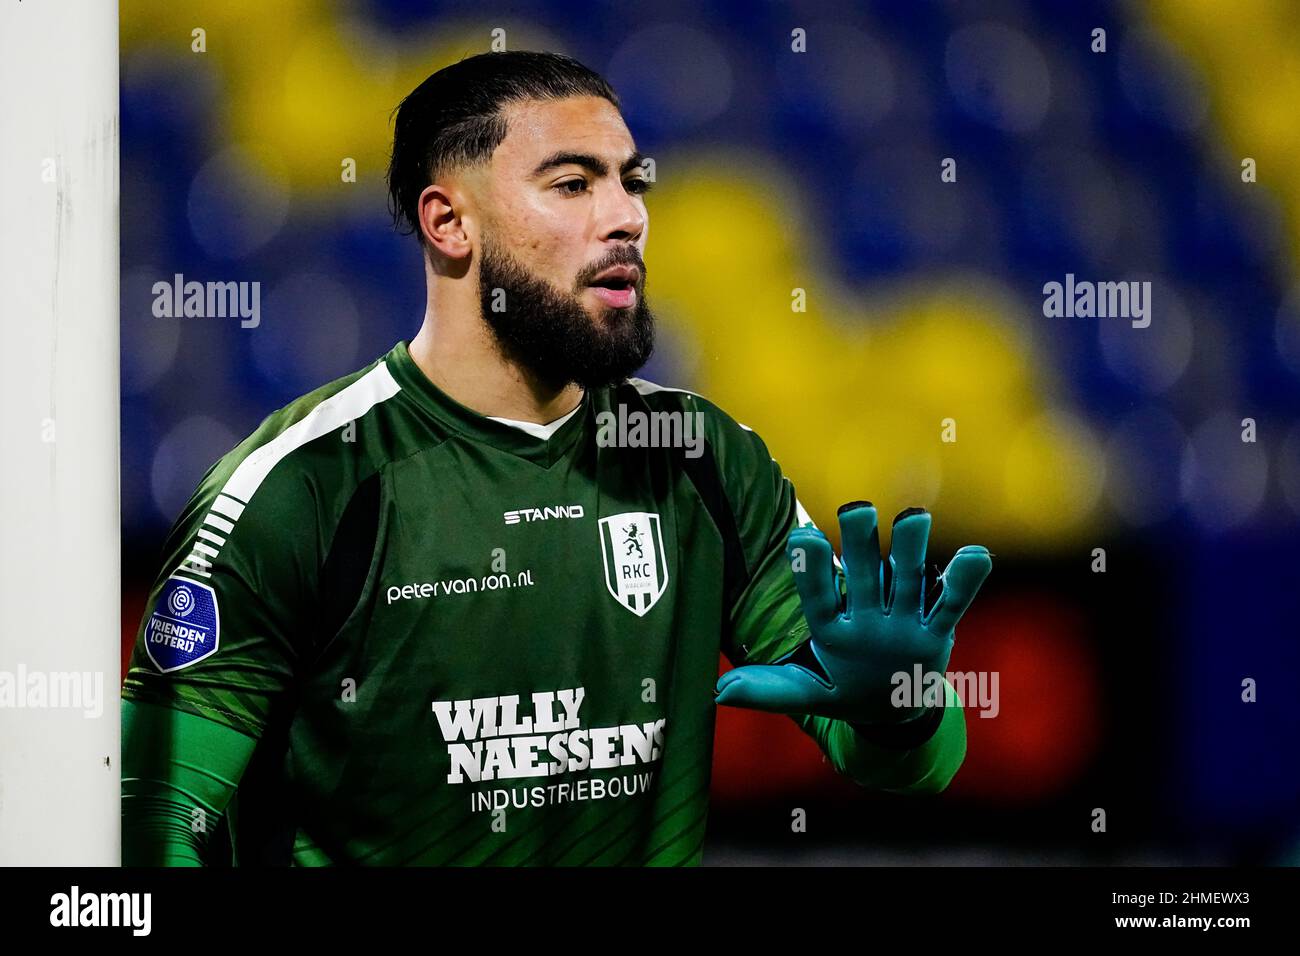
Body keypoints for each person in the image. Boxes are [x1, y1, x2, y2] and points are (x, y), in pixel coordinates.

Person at [121, 50, 992, 866]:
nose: (628, 218)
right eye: (574, 183)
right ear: (449, 221)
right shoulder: (303, 484)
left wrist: (901, 707)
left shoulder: (700, 457)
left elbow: (908, 766)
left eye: (631, 182)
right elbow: (150, 815)